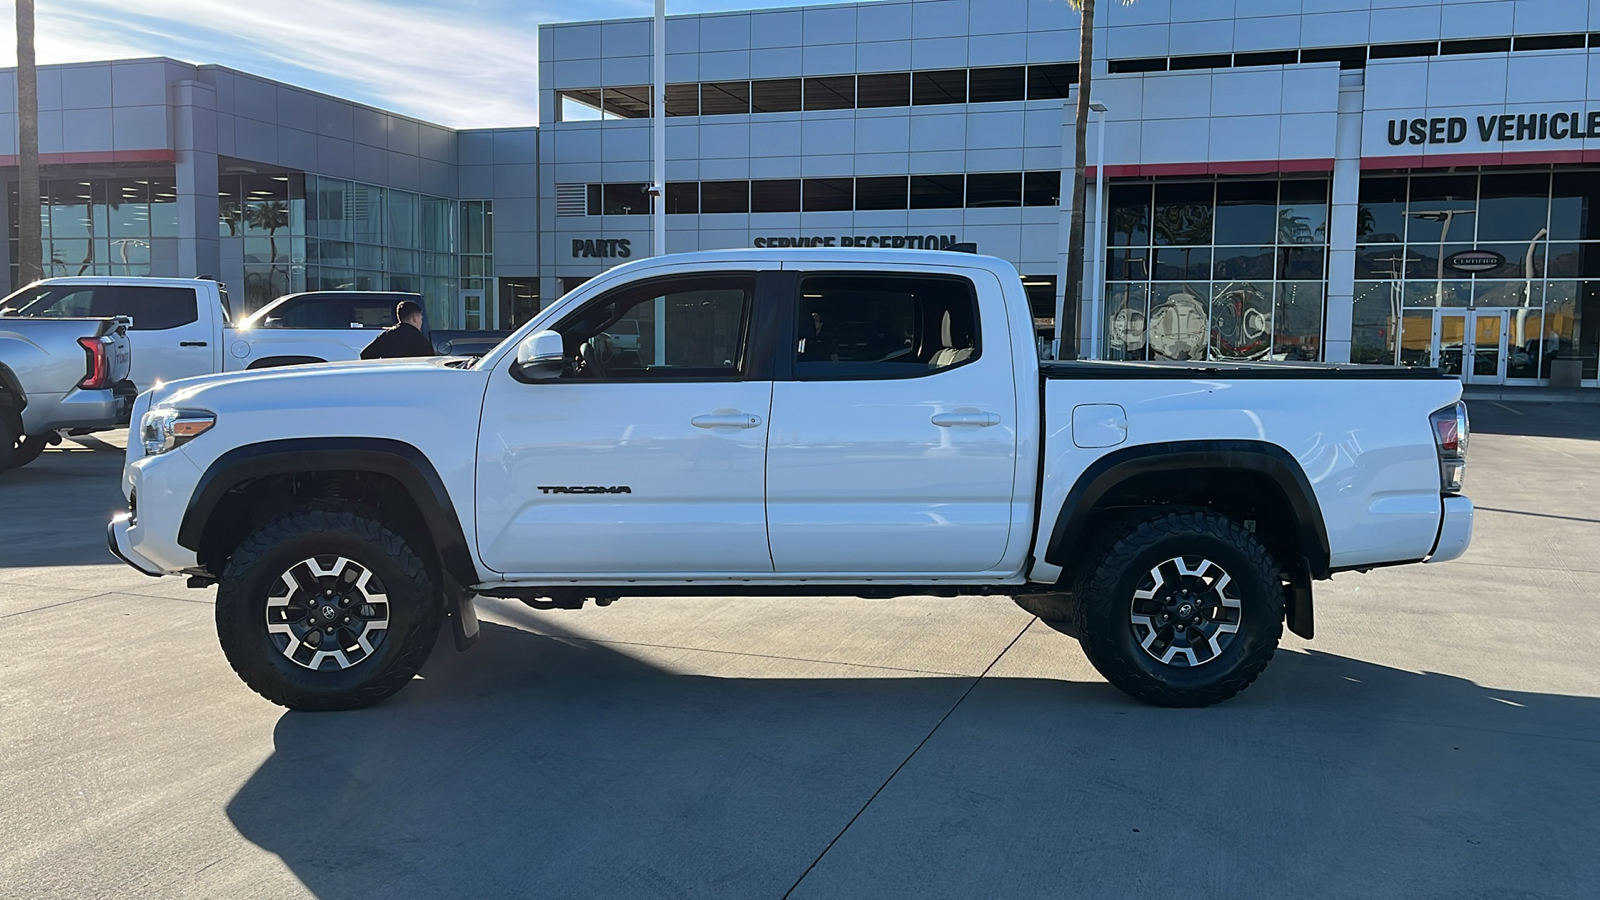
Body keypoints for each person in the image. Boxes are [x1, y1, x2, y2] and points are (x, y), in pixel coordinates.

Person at [360, 299, 435, 359]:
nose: (421, 320)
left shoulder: (386, 336)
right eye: (420, 317)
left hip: (391, 375)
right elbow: (430, 363)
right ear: (414, 318)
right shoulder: (420, 340)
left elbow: (365, 355)